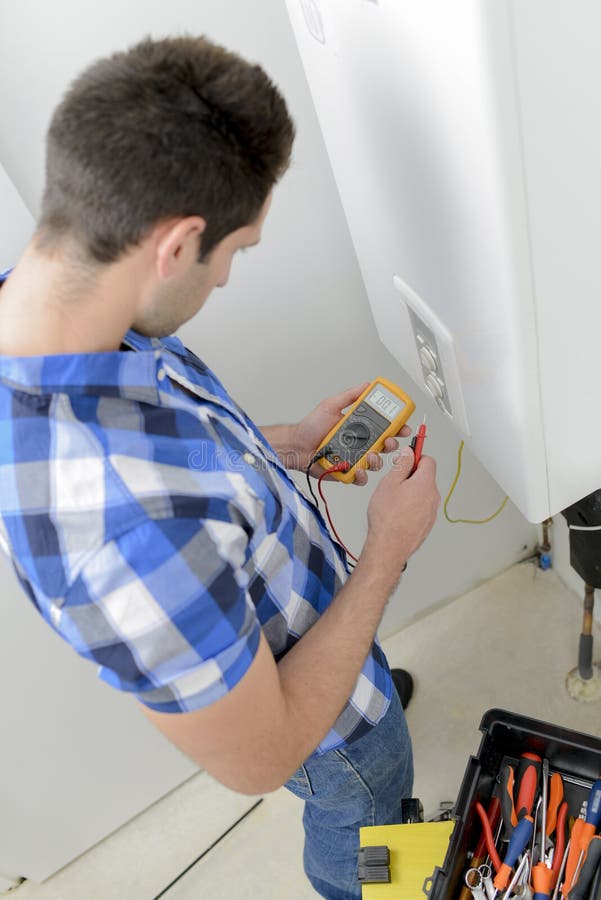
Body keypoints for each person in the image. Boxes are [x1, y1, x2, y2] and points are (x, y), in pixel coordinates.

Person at [0, 36, 440, 900]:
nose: (229, 279)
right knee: (366, 809)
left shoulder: (57, 304)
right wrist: (388, 549)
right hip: (324, 741)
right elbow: (265, 753)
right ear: (176, 246)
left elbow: (180, 462)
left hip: (319, 639)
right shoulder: (123, 533)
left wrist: (277, 443)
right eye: (236, 251)